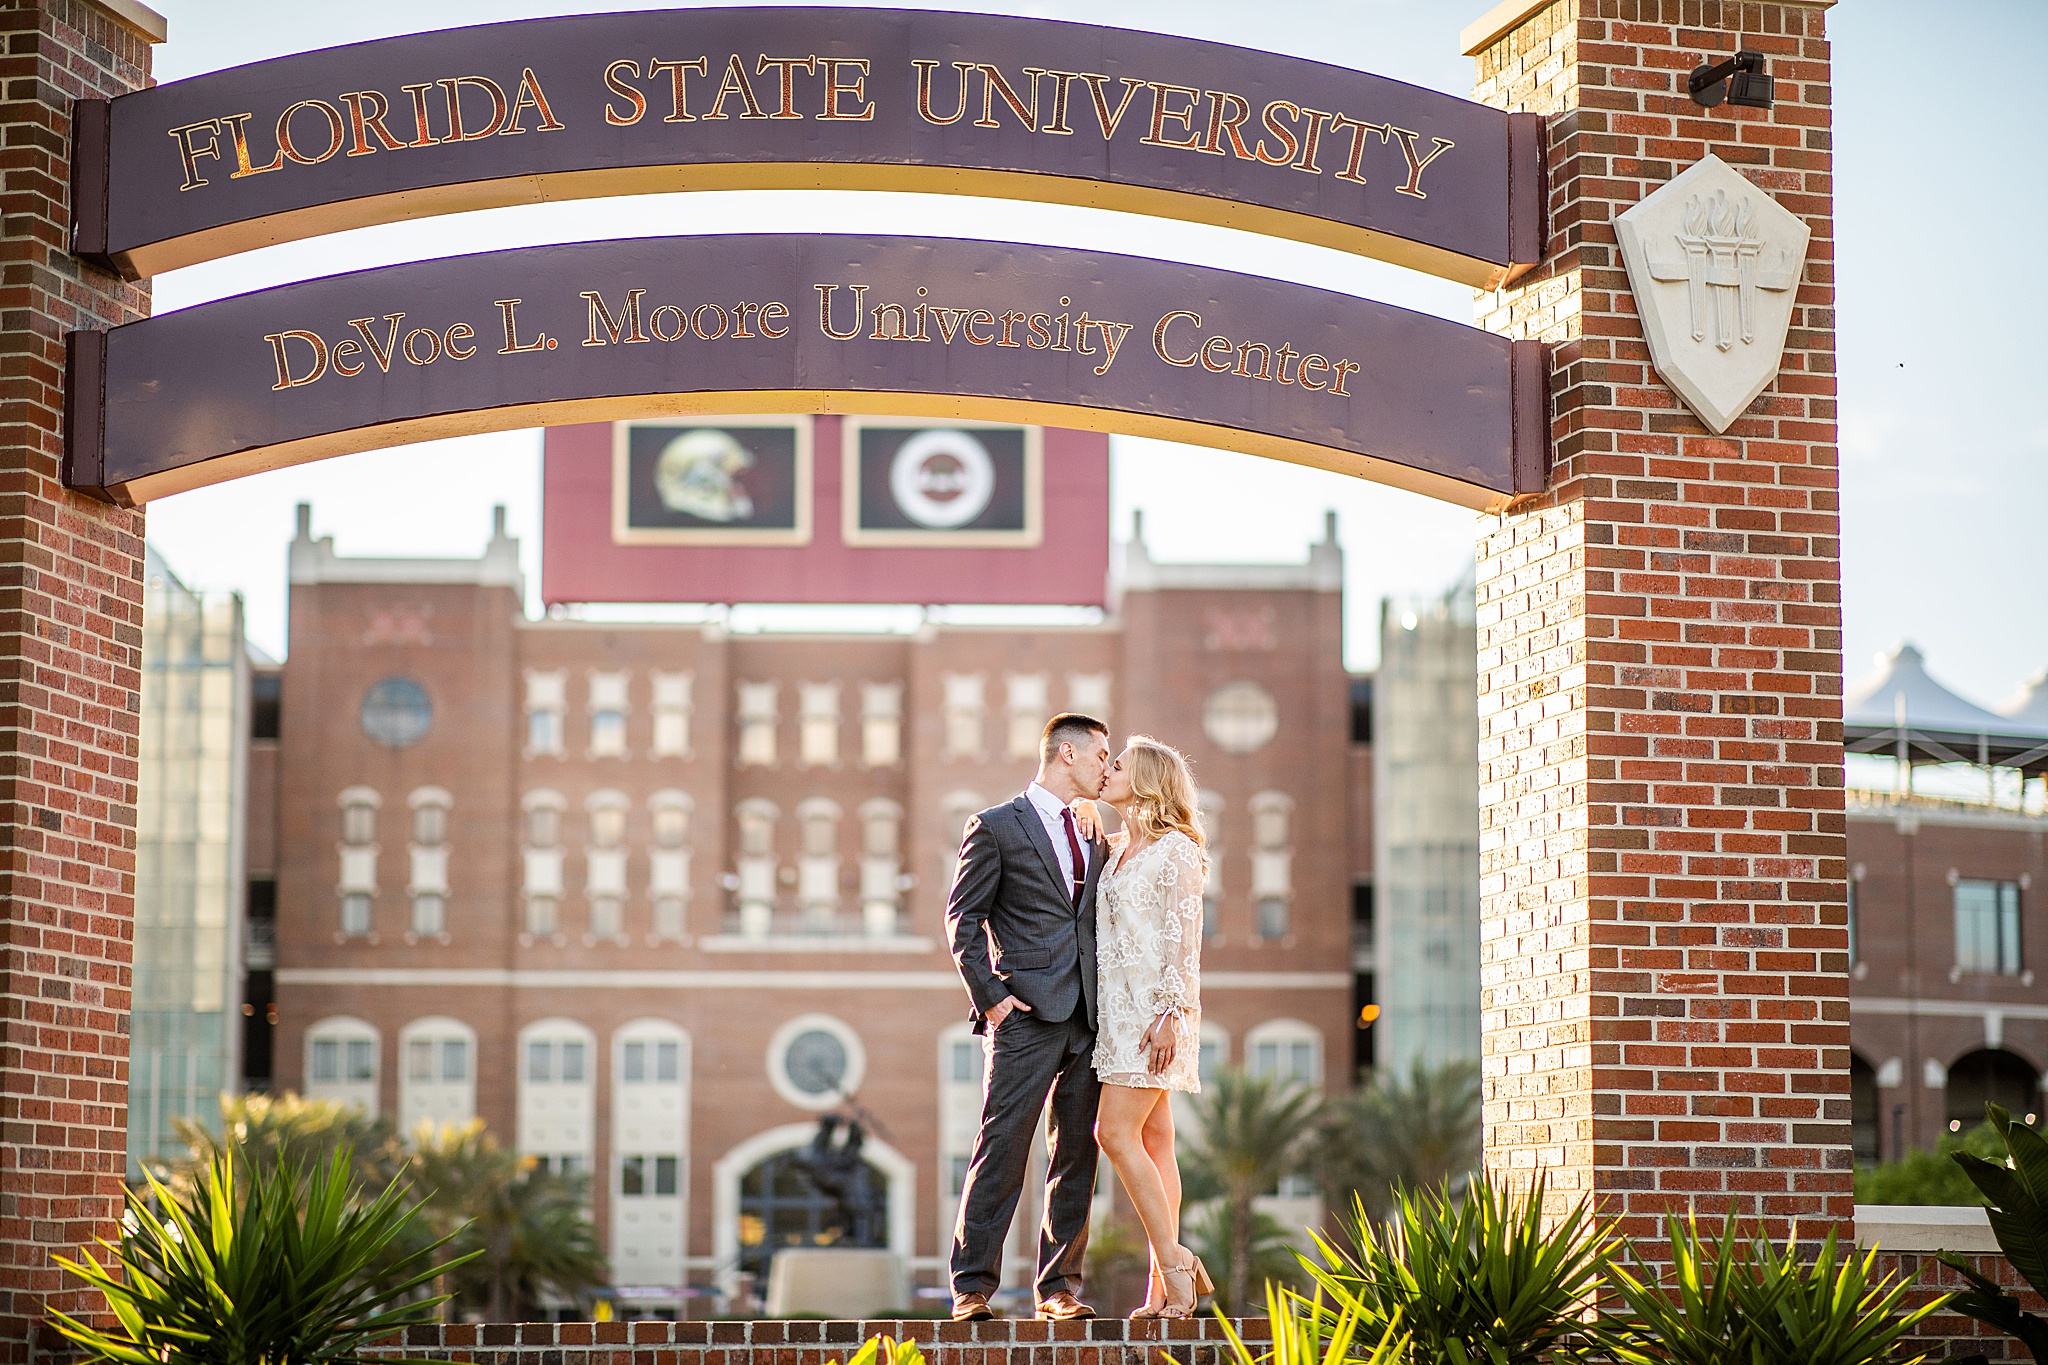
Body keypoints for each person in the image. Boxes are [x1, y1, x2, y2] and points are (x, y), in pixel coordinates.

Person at [944, 713, 1112, 1322]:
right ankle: (972, 1287)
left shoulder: (1095, 832)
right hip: (1023, 1016)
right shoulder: (994, 826)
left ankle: (1059, 1289)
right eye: (1101, 755)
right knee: (1003, 1144)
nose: (1106, 767)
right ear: (1067, 753)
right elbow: (961, 923)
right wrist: (991, 999)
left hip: (1089, 1018)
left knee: (1075, 1155)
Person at [1083, 736, 1213, 1318]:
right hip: (1115, 1015)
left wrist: (1169, 1015)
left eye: (1118, 765)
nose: (1106, 771)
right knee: (1156, 1141)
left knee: (1113, 1133)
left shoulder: (1177, 850)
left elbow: (1183, 941)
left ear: (1148, 779)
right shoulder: (1114, 850)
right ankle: (1162, 1290)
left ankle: (1175, 1262)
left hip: (1154, 1018)